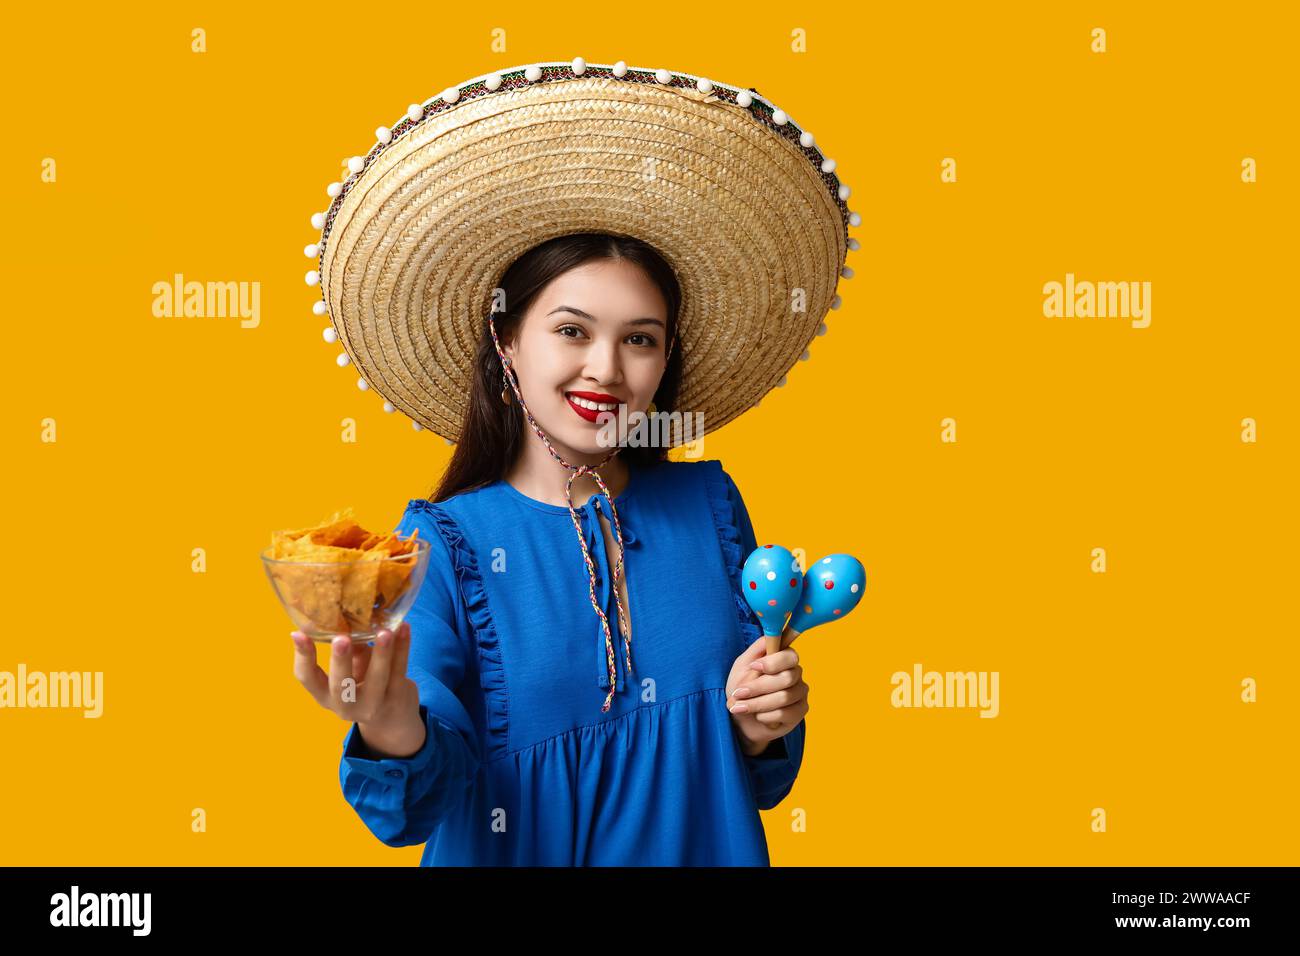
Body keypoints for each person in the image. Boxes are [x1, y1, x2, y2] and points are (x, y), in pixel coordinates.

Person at [291, 61, 856, 865]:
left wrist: (762, 724)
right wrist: (388, 725)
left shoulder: (712, 507)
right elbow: (416, 806)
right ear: (506, 342)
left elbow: (754, 777)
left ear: (665, 362)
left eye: (640, 338)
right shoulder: (443, 545)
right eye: (570, 330)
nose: (606, 370)